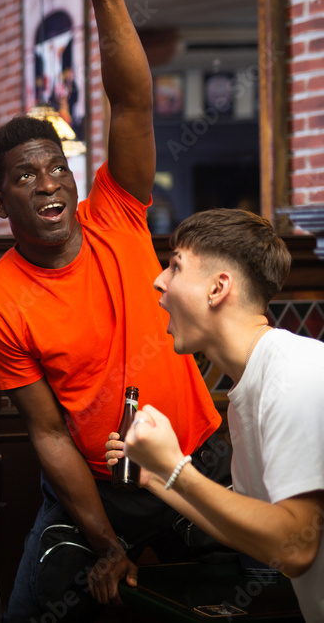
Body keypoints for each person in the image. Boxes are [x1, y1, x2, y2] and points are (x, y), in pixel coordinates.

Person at [0, 0, 228, 622]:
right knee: (33, 610)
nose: (48, 183)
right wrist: (108, 542)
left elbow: (133, 103)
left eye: (55, 166)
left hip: (196, 459)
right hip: (102, 488)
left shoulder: (115, 210)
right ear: (0, 202)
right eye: (25, 176)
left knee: (255, 588)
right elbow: (50, 435)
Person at [106, 208, 324, 622]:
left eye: (175, 266)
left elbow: (295, 547)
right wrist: (157, 477)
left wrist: (176, 467)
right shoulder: (254, 384)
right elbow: (248, 530)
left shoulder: (292, 374)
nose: (159, 280)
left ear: (217, 288)